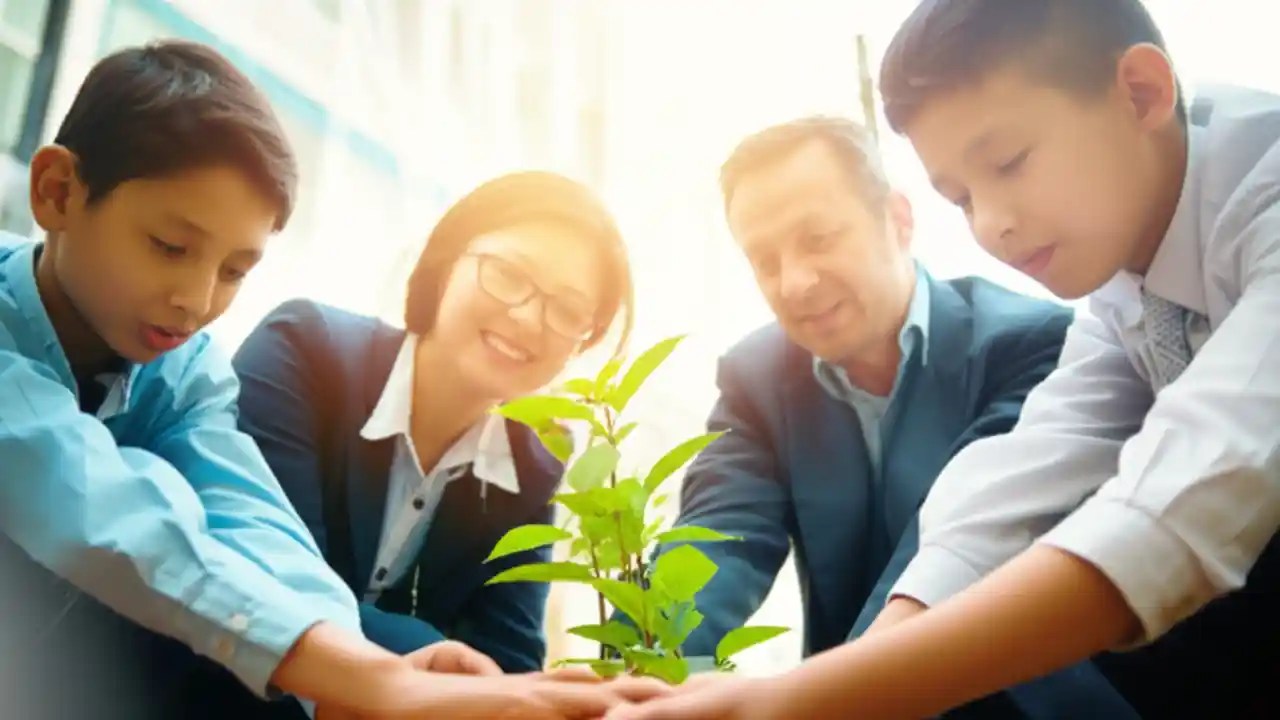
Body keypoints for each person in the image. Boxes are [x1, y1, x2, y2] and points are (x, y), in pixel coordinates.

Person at [606, 2, 1280, 718]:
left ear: (1140, 91)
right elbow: (997, 497)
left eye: (1010, 163)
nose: (992, 223)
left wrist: (790, 704)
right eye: (961, 197)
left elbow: (1179, 507)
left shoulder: (1032, 330)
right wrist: (642, 674)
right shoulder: (1120, 290)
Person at [0, 40, 662, 720]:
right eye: (170, 247)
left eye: (234, 271)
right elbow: (106, 510)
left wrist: (359, 663)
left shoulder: (184, 367)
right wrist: (371, 678)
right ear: (56, 192)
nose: (195, 299)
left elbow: (250, 516)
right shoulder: (309, 346)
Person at [641, 116, 1118, 717]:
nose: (795, 282)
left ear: (898, 218)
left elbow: (960, 541)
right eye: (764, 260)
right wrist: (650, 669)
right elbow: (717, 539)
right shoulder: (754, 377)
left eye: (817, 239)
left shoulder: (1030, 346)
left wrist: (818, 698)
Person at [232, 171, 634, 680]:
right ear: (447, 263)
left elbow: (509, 656)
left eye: (569, 310)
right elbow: (274, 575)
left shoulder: (532, 464)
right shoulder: (304, 351)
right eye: (509, 274)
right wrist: (440, 659)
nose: (529, 318)